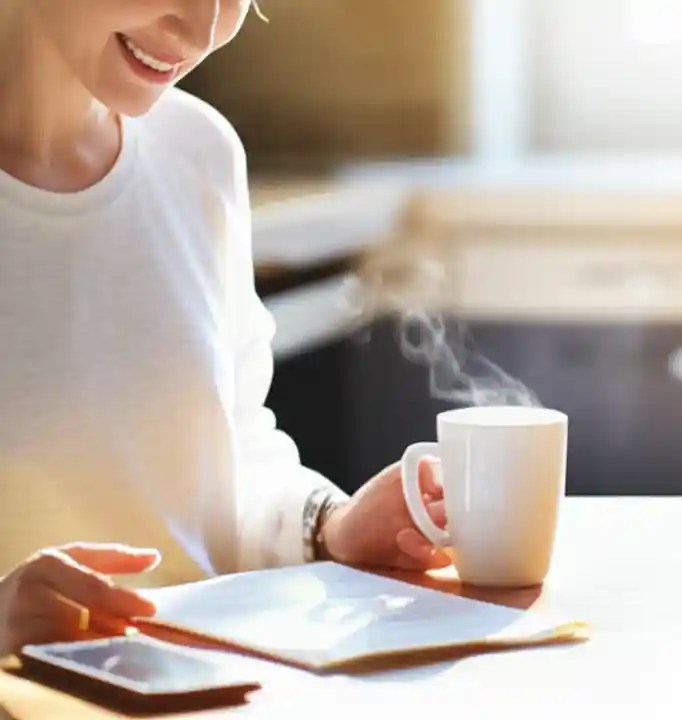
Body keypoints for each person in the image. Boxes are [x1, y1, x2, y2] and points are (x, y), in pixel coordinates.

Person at [0, 0, 451, 655]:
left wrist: (329, 524)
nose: (205, 29)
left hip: (206, 685)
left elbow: (229, 459)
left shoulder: (198, 154)